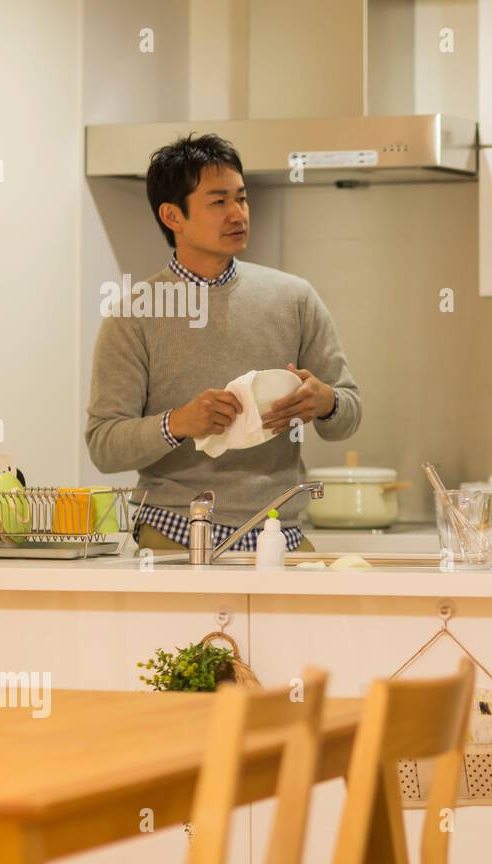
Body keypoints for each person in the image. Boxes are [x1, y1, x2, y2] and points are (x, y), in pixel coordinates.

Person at [86, 133, 361, 552]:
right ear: (172, 216)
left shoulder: (295, 297)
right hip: (175, 531)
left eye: (242, 199)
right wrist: (178, 422)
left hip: (279, 531)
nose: (238, 214)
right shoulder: (133, 315)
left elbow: (349, 411)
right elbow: (104, 445)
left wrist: (327, 403)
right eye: (218, 202)